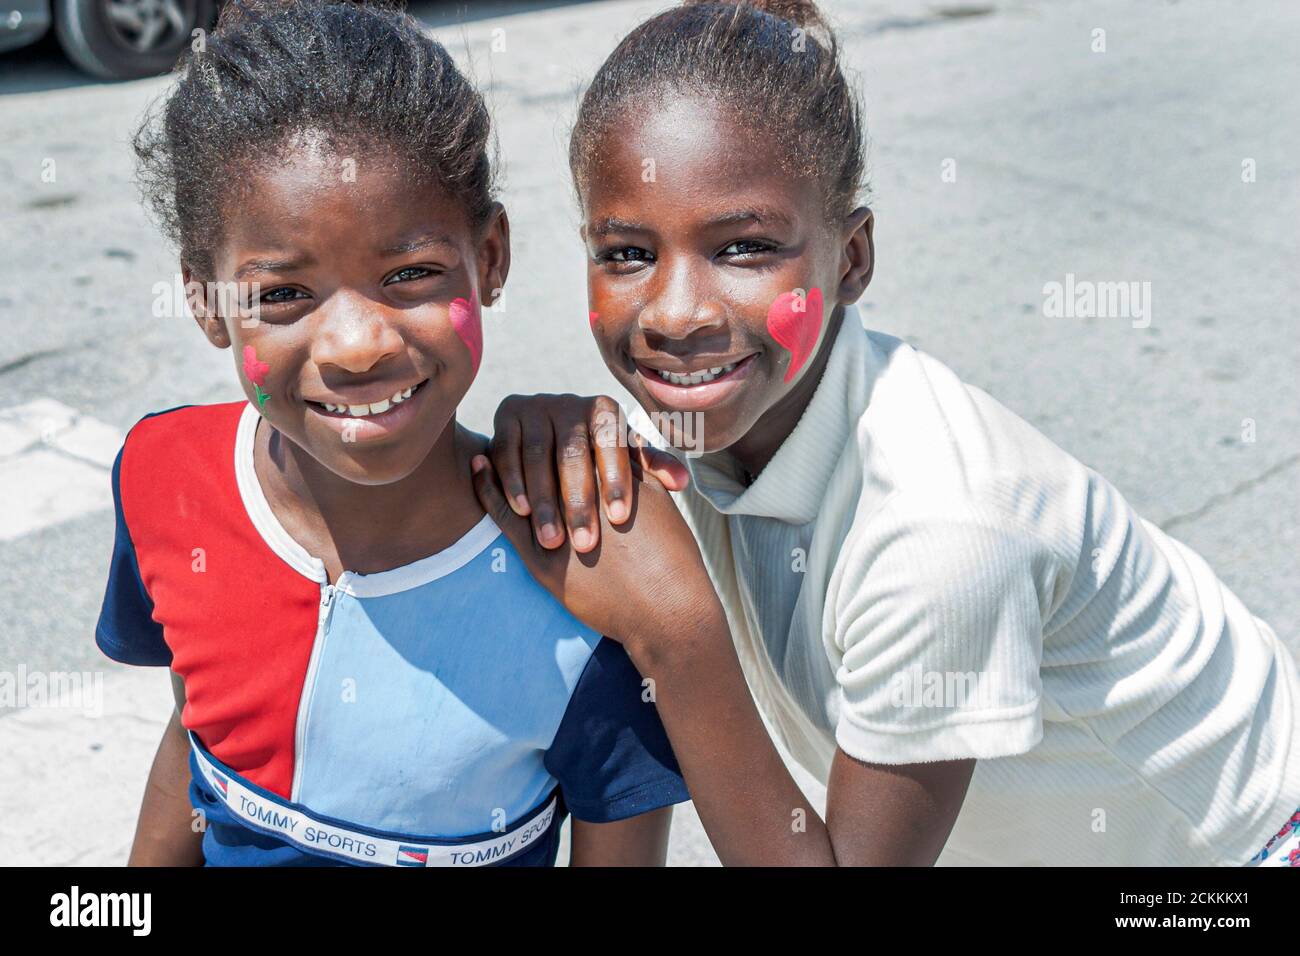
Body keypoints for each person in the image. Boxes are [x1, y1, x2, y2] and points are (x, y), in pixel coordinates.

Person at [471, 0, 1300, 865]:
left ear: (853, 260)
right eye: (628, 254)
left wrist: (677, 638)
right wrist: (560, 434)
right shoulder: (695, 415)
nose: (677, 314)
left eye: (746, 248)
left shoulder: (940, 531)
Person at [96, 0, 687, 867]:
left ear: (490, 259)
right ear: (206, 301)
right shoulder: (165, 478)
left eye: (410, 274)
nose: (358, 344)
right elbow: (197, 731)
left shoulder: (585, 574)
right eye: (283, 295)